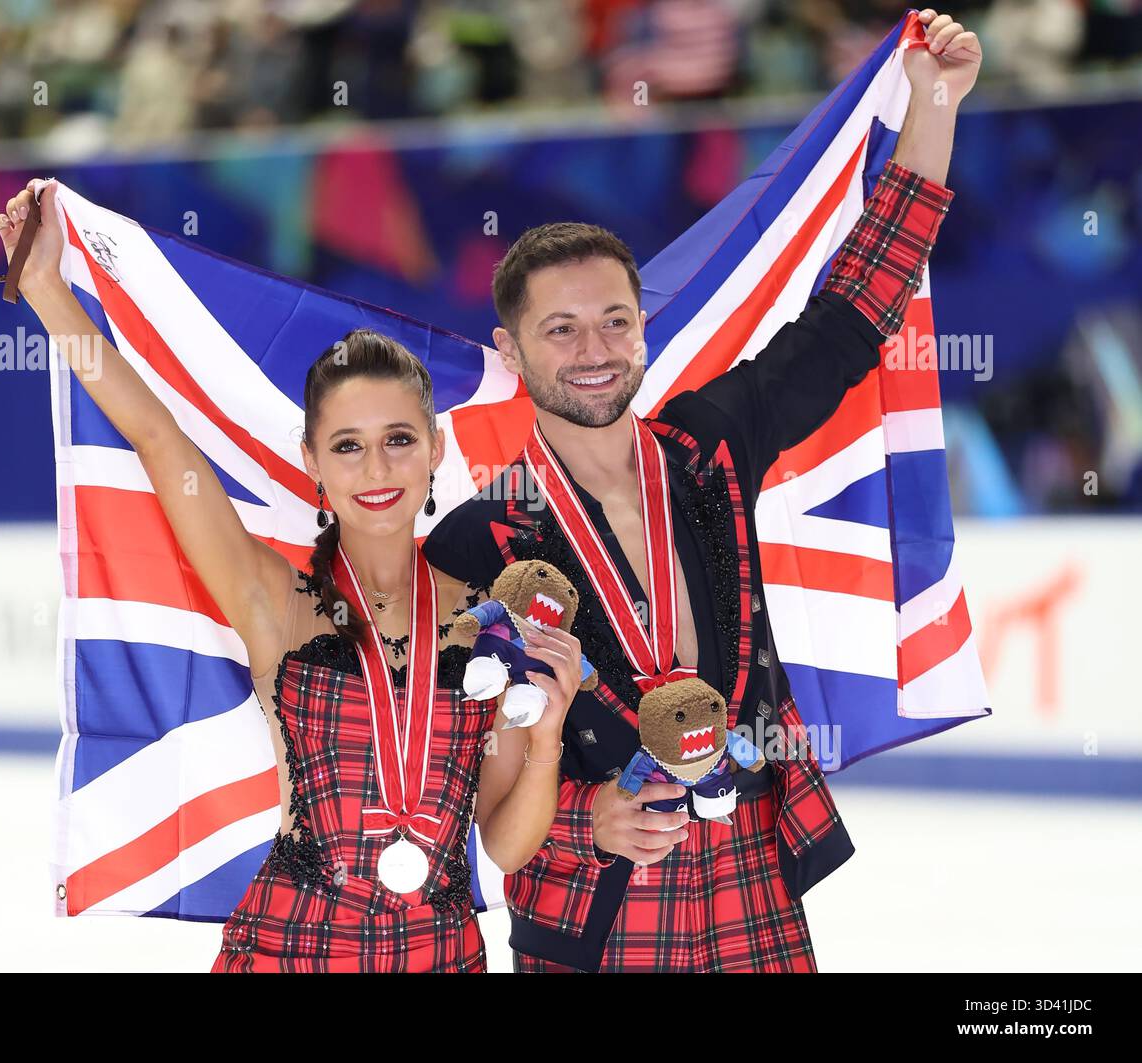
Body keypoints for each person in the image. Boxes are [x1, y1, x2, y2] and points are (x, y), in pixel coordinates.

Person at [420, 9, 980, 972]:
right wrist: (583, 820)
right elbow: (456, 777)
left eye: (613, 322)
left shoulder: (709, 447)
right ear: (511, 352)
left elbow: (854, 311)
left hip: (751, 869)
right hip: (595, 908)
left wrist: (935, 104)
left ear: (643, 329)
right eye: (560, 330)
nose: (593, 351)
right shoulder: (479, 542)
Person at [0, 183, 588, 972]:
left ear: (436, 450)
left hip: (439, 956)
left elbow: (506, 846)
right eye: (346, 445)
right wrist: (44, 290)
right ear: (311, 461)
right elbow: (157, 439)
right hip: (290, 949)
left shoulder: (490, 621)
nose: (376, 468)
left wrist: (546, 736)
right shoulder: (275, 598)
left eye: (399, 439)